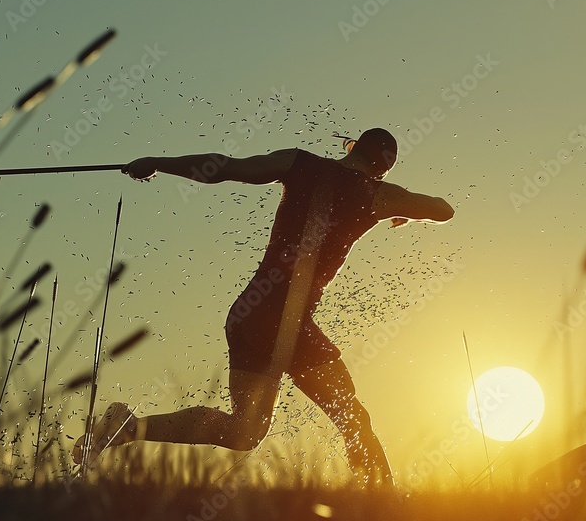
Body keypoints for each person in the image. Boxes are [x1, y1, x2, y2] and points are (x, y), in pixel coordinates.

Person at [72, 128, 454, 485]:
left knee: (244, 431)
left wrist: (159, 162)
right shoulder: (377, 196)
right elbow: (443, 209)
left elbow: (223, 167)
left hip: (250, 313)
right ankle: (385, 508)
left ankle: (127, 428)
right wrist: (402, 205)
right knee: (351, 417)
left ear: (353, 147)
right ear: (383, 167)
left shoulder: (297, 163)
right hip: (287, 322)